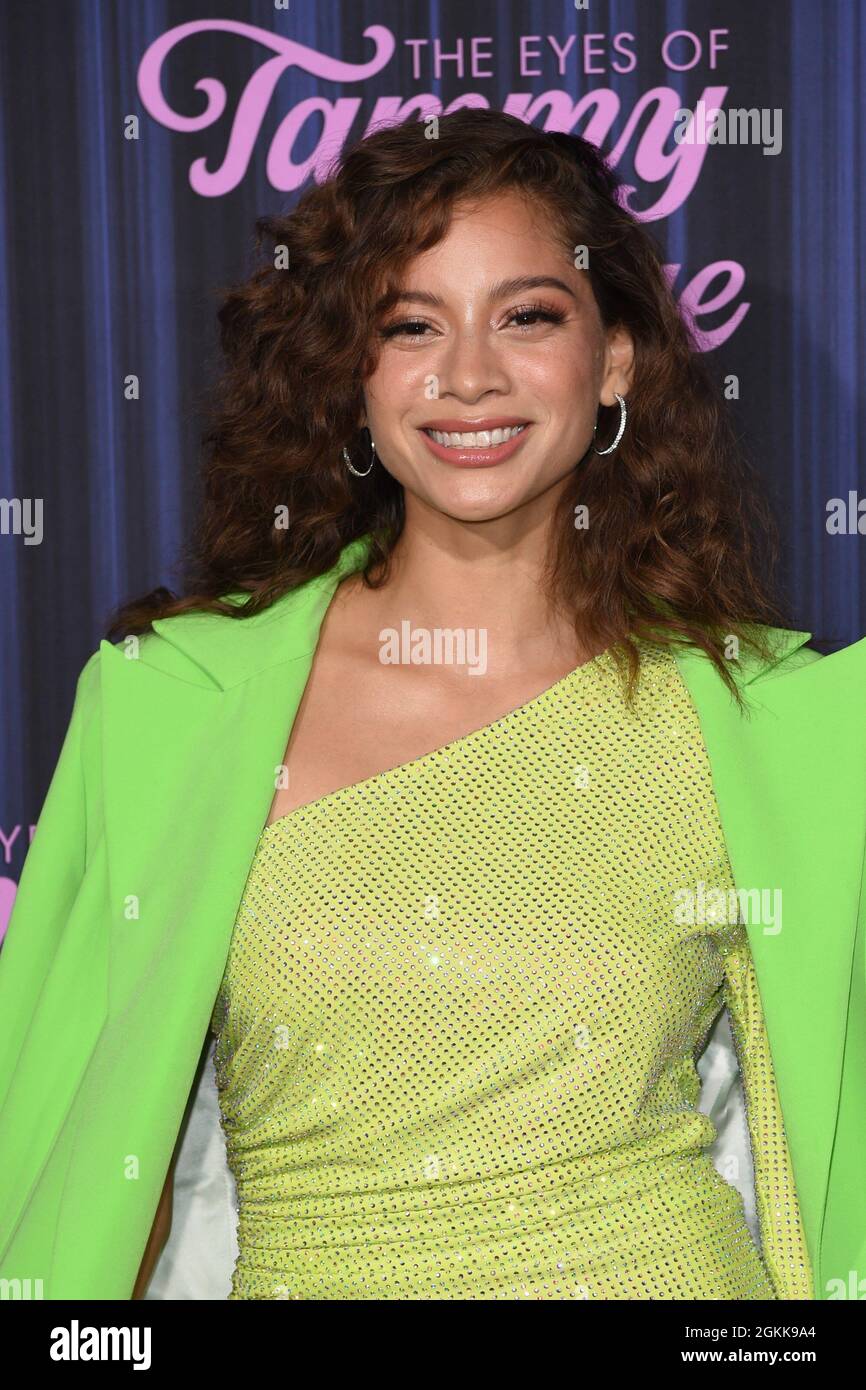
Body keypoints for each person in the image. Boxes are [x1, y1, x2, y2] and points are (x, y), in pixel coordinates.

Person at [2, 109, 865, 1302]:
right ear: (351, 376)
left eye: (526, 316)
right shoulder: (171, 708)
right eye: (410, 325)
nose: (467, 375)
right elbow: (87, 1169)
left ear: (613, 357)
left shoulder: (781, 724)